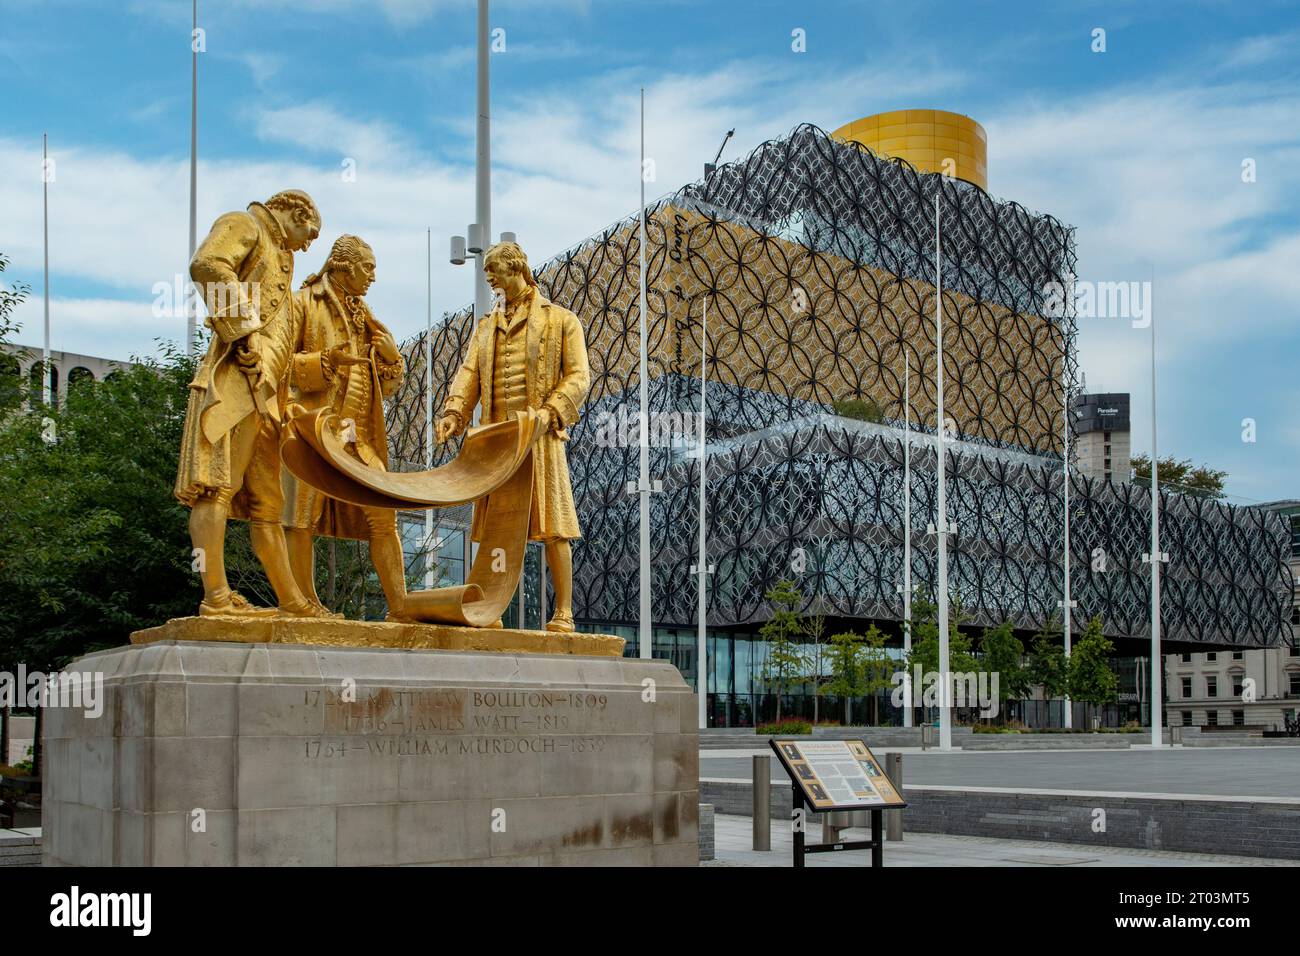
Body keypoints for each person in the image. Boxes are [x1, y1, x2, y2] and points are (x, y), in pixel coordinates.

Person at [174, 189, 326, 618]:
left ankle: (292, 601)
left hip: (268, 399)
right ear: (296, 212)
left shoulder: (283, 257)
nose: (306, 244)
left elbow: (280, 342)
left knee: (268, 505)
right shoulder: (244, 223)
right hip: (234, 386)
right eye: (308, 233)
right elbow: (206, 264)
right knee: (217, 487)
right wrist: (242, 331)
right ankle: (216, 597)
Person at [435, 242, 590, 632]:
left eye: (495, 272)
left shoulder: (561, 320)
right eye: (487, 274)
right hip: (497, 439)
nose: (490, 280)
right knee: (497, 529)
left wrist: (550, 412)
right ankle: (490, 606)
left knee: (554, 526)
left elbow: (578, 376)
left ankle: (564, 611)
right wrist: (454, 411)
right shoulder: (486, 327)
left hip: (539, 437)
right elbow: (470, 373)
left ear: (517, 268)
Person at [281, 235, 407, 618]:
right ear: (342, 264)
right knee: (299, 516)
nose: (372, 276)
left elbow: (385, 387)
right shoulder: (302, 303)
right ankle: (302, 604)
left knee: (384, 515)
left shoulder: (367, 318)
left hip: (358, 437)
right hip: (313, 431)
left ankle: (400, 606)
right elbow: (278, 366)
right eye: (367, 267)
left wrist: (391, 358)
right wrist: (323, 363)